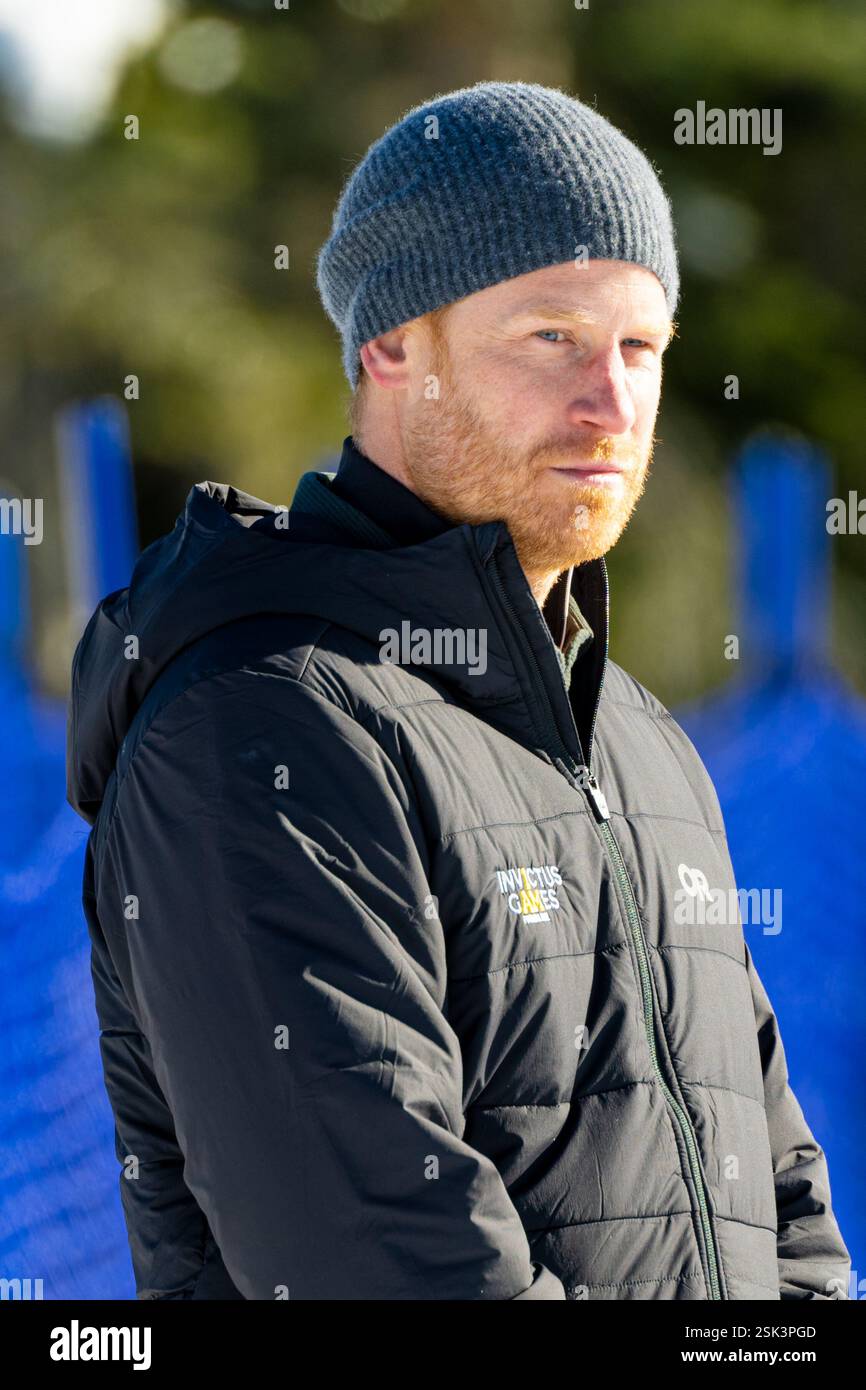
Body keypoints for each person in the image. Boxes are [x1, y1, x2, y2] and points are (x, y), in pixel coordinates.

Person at [68, 81, 850, 1300]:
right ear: (390, 346)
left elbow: (783, 1204)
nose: (611, 403)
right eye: (549, 336)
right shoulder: (262, 724)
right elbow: (390, 1269)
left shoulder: (636, 736)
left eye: (637, 347)